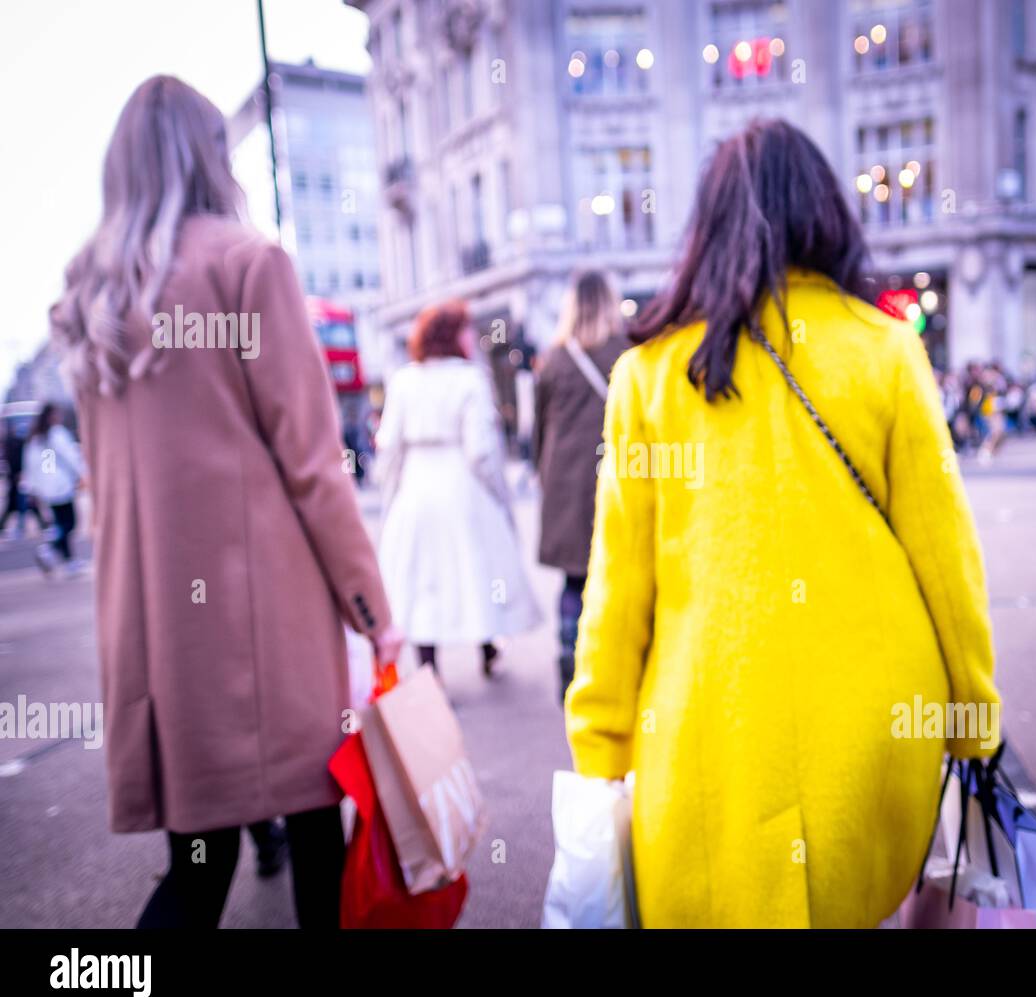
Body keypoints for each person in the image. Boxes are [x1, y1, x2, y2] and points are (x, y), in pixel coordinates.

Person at [564, 119, 1000, 928]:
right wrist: (974, 715)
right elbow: (946, 556)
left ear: (707, 225)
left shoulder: (649, 375)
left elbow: (618, 586)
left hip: (705, 731)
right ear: (826, 211)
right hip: (875, 729)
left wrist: (600, 742)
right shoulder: (885, 350)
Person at [49, 76, 401, 929]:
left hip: (153, 631)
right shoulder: (248, 263)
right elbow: (314, 466)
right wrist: (371, 609)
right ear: (211, 155)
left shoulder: (92, 294)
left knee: (196, 869)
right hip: (264, 625)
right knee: (319, 839)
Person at [375, 300, 541, 678]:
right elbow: (482, 451)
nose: (473, 337)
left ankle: (429, 668)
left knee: (421, 580)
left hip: (416, 486)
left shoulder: (403, 381)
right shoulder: (470, 379)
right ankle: (486, 645)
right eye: (466, 330)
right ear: (452, 335)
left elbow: (389, 445)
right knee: (475, 569)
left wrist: (391, 494)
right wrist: (500, 497)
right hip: (461, 485)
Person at [533, 270, 628, 704]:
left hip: (566, 486)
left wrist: (545, 477)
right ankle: (613, 673)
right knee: (619, 578)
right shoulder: (626, 355)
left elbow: (537, 435)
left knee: (574, 582)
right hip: (616, 480)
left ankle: (569, 672)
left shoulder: (553, 361)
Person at [21, 403, 86, 575]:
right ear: (51, 415)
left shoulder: (37, 438)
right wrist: (83, 472)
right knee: (69, 523)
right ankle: (50, 550)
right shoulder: (56, 434)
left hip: (47, 487)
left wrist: (34, 487)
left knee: (60, 523)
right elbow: (71, 456)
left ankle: (68, 561)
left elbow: (32, 465)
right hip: (61, 485)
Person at [2, 416, 50, 539]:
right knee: (23, 503)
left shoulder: (18, 442)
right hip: (19, 478)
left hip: (21, 478)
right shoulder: (17, 443)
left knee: (25, 503)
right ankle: (26, 526)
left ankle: (35, 525)